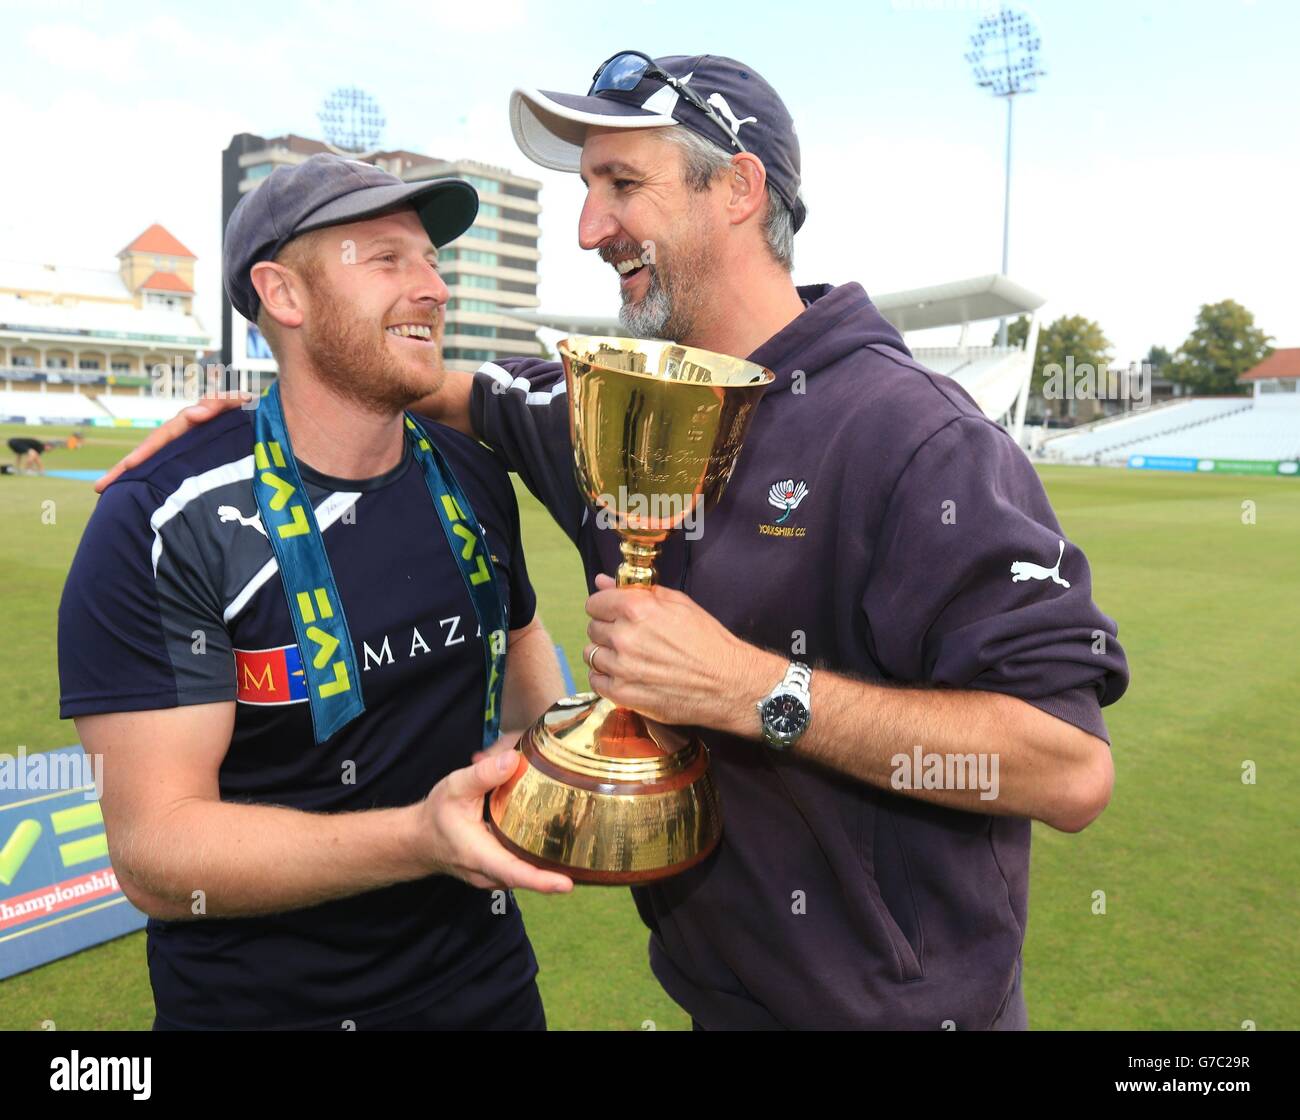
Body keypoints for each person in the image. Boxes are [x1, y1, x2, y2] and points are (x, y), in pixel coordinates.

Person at [101, 54, 1130, 1031]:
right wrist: (243, 421)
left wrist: (756, 690)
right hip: (714, 1002)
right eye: (586, 190)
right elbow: (421, 384)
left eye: (620, 185)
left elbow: (1066, 768)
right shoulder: (608, 406)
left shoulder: (915, 437)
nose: (591, 226)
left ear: (735, 187)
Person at [60, 153, 573, 1032]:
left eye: (433, 261)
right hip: (263, 1012)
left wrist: (541, 766)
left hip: (488, 993)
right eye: (387, 259)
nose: (434, 288)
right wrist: (419, 838)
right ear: (283, 296)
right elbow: (155, 853)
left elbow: (525, 666)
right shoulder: (165, 520)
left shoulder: (472, 478)